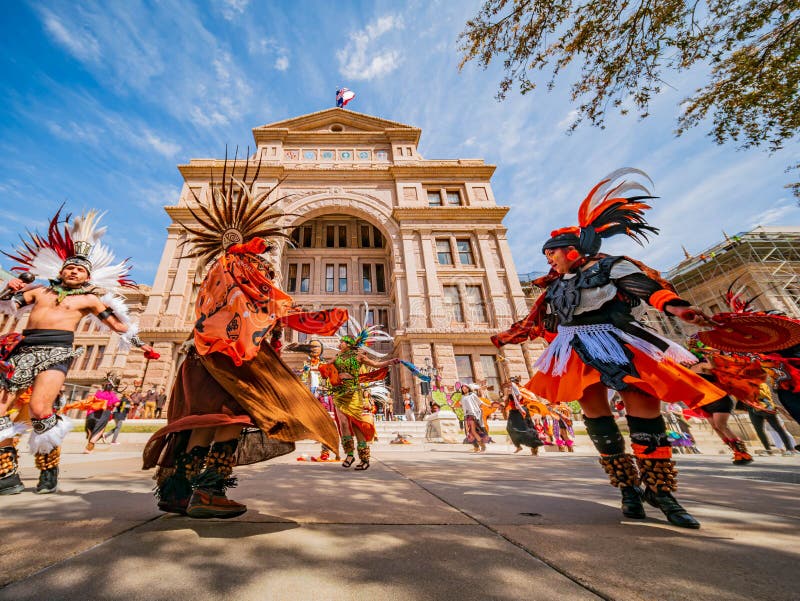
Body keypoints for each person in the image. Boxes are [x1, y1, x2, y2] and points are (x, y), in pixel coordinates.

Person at [492, 169, 725, 529]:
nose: (549, 260)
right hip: (574, 347)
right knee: (595, 415)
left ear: (572, 250)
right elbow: (538, 321)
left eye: (552, 253)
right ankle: (628, 488)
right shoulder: (555, 285)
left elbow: (649, 289)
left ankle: (661, 491)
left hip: (617, 338)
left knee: (644, 406)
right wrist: (507, 337)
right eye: (548, 255)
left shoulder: (612, 267)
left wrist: (678, 308)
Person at [142, 170, 346, 518]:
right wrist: (317, 319)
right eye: (263, 259)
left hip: (201, 353)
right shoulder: (243, 268)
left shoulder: (216, 269)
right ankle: (210, 490)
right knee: (236, 414)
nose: (265, 264)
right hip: (235, 354)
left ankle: (179, 489)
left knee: (207, 420)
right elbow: (268, 306)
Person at [0, 208, 155, 495]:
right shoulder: (37, 292)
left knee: (39, 409)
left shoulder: (90, 300)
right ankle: (7, 473)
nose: (73, 271)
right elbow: (7, 306)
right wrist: (9, 290)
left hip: (56, 352)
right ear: (60, 271)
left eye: (80, 269)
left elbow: (119, 327)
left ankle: (48, 467)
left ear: (86, 276)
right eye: (69, 267)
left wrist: (142, 345)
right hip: (23, 349)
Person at [320, 318, 400, 471]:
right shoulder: (337, 357)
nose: (339, 344)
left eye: (342, 342)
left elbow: (376, 364)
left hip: (353, 392)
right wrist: (322, 365)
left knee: (356, 425)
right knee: (343, 423)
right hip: (339, 392)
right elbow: (325, 367)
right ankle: (349, 454)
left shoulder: (359, 356)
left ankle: (364, 458)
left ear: (349, 344)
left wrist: (390, 361)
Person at [747, 382, 795, 455]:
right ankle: (768, 450)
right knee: (759, 430)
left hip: (765, 406)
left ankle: (790, 449)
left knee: (778, 428)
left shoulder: (761, 383)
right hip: (752, 408)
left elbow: (763, 394)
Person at [503, 377, 543, 455]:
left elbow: (523, 399)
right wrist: (505, 398)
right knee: (510, 428)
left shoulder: (522, 391)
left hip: (521, 411)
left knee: (526, 429)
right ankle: (518, 446)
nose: (508, 385)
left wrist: (516, 395)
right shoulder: (509, 391)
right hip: (514, 411)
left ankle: (534, 446)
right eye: (508, 384)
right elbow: (507, 401)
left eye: (509, 383)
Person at [458, 383, 489, 452]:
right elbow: (460, 405)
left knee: (474, 431)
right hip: (466, 415)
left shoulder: (472, 395)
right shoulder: (462, 397)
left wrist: (488, 405)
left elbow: (480, 402)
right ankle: (476, 447)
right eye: (462, 388)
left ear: (468, 388)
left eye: (465, 387)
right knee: (468, 432)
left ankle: (482, 446)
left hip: (473, 414)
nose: (464, 388)